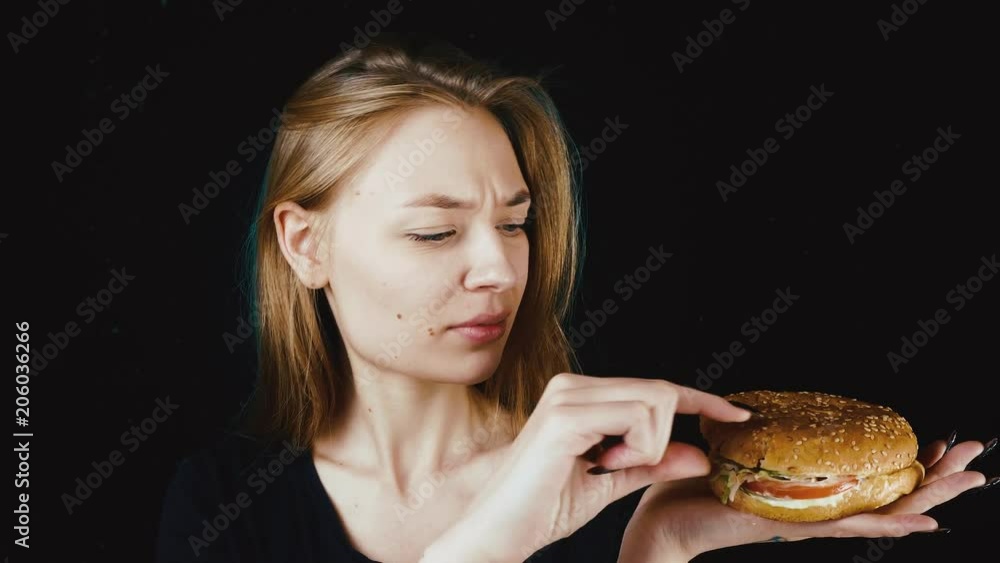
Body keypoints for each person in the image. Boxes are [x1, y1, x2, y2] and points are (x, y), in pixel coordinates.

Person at [153, 36, 992, 563]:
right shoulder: (223, 508)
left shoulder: (616, 491)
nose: (500, 270)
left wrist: (659, 546)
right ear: (307, 244)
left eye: (515, 223)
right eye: (436, 232)